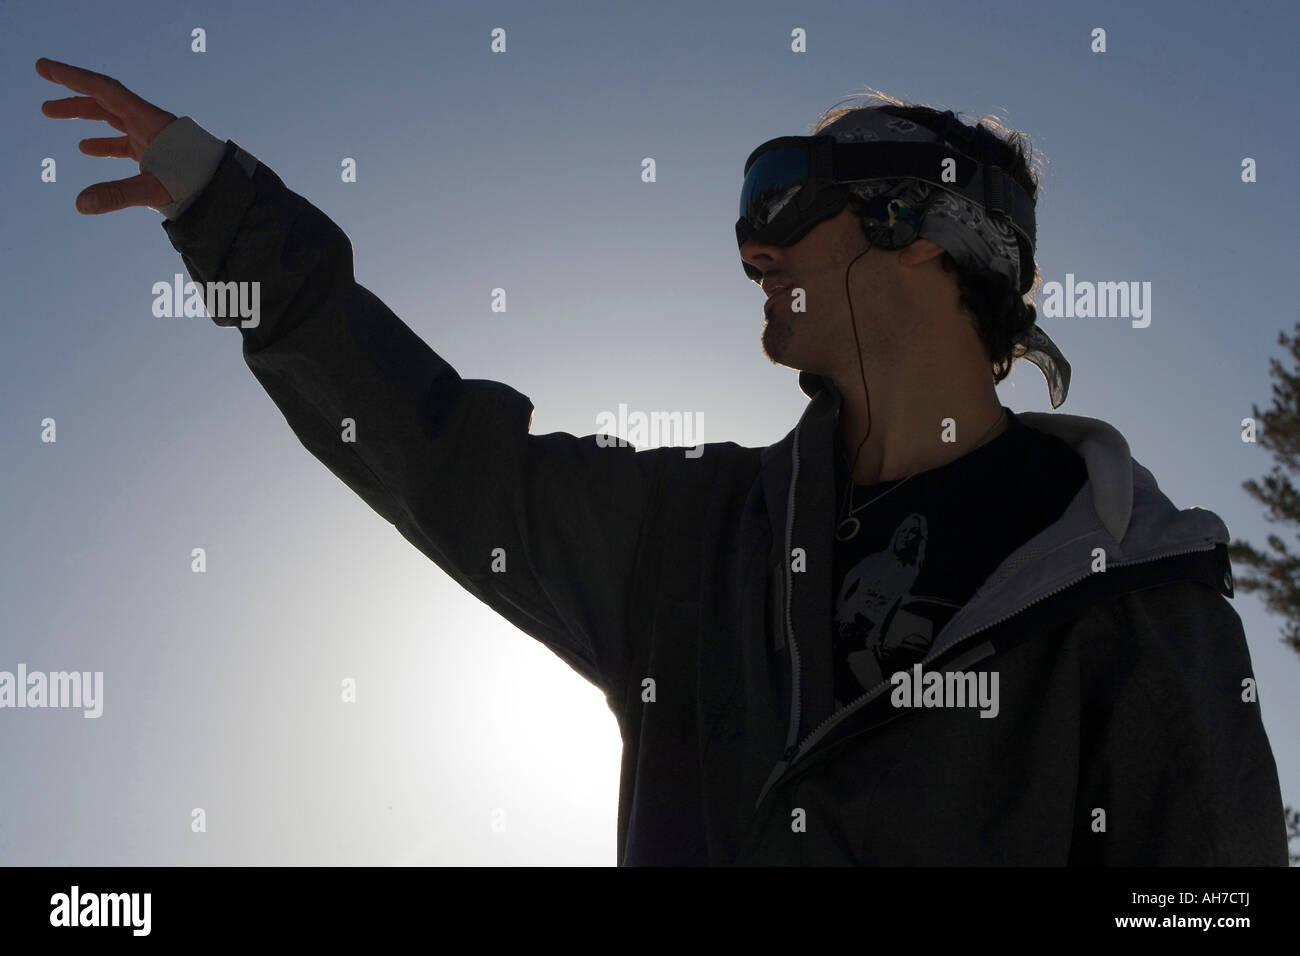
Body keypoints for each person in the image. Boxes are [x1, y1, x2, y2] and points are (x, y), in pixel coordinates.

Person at [36, 57, 1287, 865]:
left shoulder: (1134, 601)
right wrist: (221, 209)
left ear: (927, 230)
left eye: (793, 196)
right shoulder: (688, 539)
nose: (753, 240)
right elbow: (430, 448)